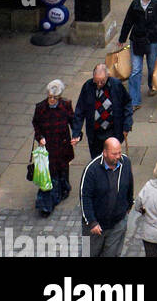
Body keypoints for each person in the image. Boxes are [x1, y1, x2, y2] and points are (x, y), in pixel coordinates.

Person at [118, 0, 157, 109]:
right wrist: (122, 38)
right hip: (137, 39)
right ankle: (134, 101)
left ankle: (151, 85)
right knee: (136, 70)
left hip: (153, 40)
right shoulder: (135, 5)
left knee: (152, 66)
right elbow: (128, 21)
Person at [79, 137, 133, 259]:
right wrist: (92, 222)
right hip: (95, 226)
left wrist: (129, 204)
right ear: (105, 153)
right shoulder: (91, 170)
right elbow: (84, 197)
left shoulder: (126, 163)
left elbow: (129, 184)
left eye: (120, 152)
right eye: (114, 154)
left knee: (112, 254)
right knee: (89, 253)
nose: (118, 156)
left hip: (117, 223)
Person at [31, 80, 76, 215]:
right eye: (50, 96)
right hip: (48, 146)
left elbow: (73, 121)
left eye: (55, 98)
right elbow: (36, 124)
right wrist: (40, 138)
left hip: (62, 145)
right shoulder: (40, 108)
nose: (51, 100)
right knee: (49, 175)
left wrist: (76, 135)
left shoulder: (66, 105)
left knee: (62, 169)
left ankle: (63, 190)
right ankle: (46, 205)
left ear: (59, 97)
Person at [72, 63, 133, 160]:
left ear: (108, 76)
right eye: (97, 81)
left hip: (113, 131)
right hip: (95, 134)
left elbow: (127, 103)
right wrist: (76, 132)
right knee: (97, 160)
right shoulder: (88, 87)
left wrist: (127, 124)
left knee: (112, 158)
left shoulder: (116, 85)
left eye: (102, 81)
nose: (99, 84)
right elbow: (80, 110)